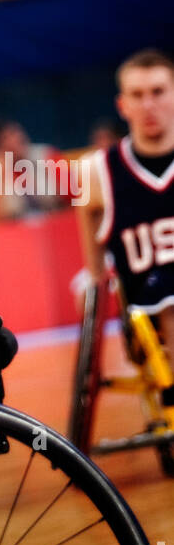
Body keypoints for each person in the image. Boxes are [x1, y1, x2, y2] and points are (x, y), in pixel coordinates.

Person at [76, 50, 174, 359]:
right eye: (137, 95)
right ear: (123, 105)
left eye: (158, 92)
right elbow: (93, 274)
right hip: (148, 317)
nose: (148, 105)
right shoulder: (98, 171)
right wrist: (93, 277)